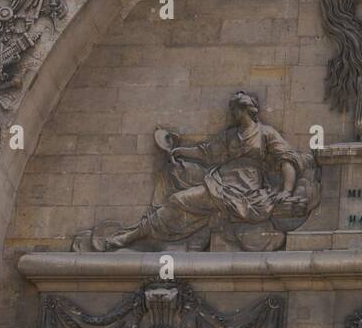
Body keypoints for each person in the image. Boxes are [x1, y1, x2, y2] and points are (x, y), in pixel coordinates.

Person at [82, 91, 311, 252]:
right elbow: (206, 152)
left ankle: (130, 236)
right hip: (219, 183)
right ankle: (136, 235)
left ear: (244, 110)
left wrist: (287, 190)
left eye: (235, 109)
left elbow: (287, 160)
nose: (232, 113)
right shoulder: (230, 135)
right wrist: (181, 152)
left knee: (177, 201)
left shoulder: (266, 133)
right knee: (177, 192)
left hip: (244, 190)